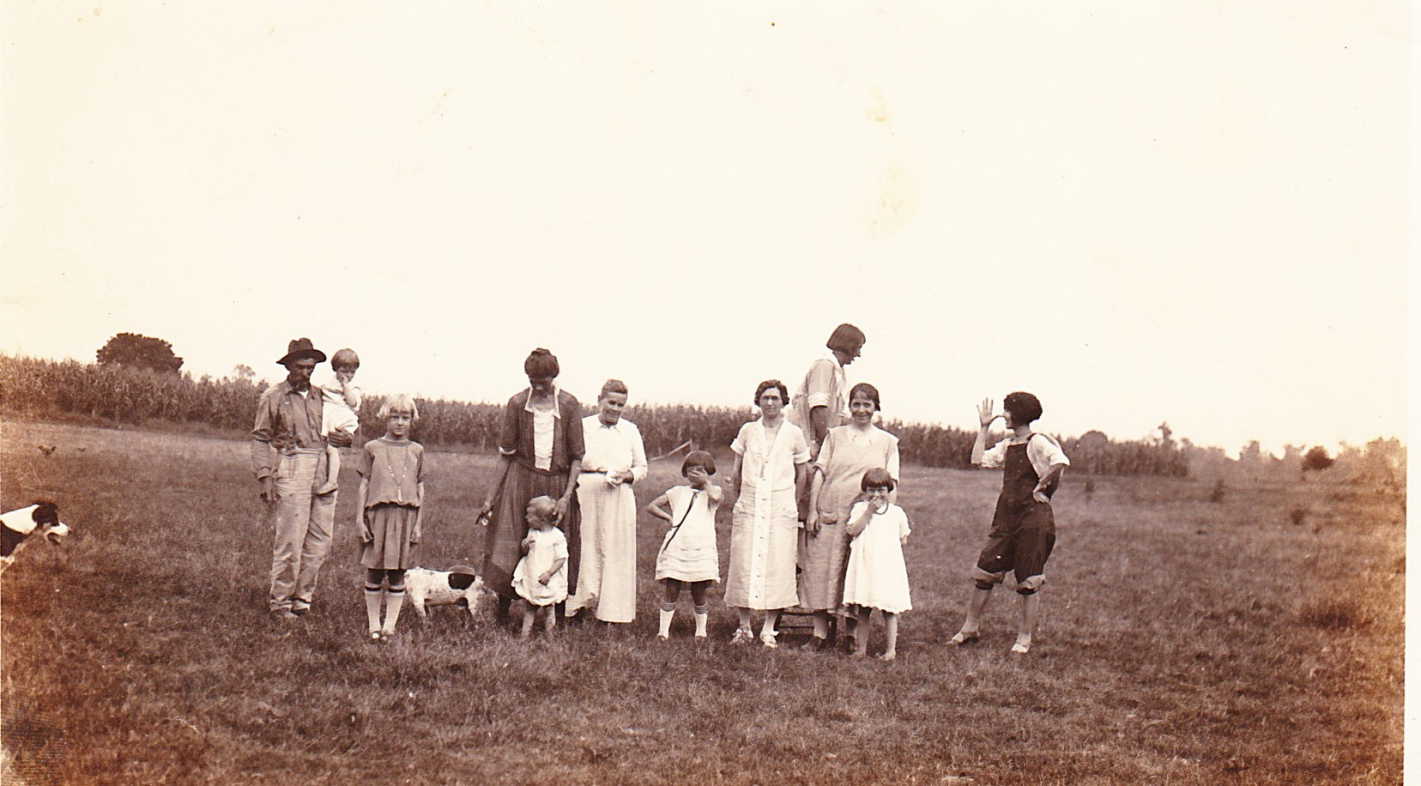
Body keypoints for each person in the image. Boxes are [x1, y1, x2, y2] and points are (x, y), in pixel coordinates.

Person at [949, 393, 1070, 655]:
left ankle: (1024, 638)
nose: (1003, 415)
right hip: (1006, 516)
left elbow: (1059, 462)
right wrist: (983, 428)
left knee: (1028, 578)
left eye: (1006, 411)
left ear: (1020, 414)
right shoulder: (1007, 445)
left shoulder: (1038, 442)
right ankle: (970, 627)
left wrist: (1043, 489)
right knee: (986, 569)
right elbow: (977, 460)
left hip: (1033, 518)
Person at [478, 348, 584, 621]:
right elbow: (506, 455)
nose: (538, 386)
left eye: (543, 381)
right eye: (532, 380)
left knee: (559, 541)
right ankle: (503, 608)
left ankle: (556, 612)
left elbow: (576, 458)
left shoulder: (570, 405)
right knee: (512, 541)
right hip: (521, 479)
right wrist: (490, 498)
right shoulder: (516, 404)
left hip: (558, 482)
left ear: (554, 376)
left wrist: (566, 497)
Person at [252, 338, 353, 620]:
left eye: (310, 368)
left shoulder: (324, 397)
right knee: (291, 540)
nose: (305, 373)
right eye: (300, 367)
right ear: (288, 366)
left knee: (320, 539)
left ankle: (302, 599)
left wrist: (345, 438)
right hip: (292, 464)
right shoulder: (274, 396)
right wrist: (265, 476)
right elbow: (260, 438)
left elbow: (344, 428)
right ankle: (281, 603)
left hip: (323, 465)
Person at [799, 382, 900, 652]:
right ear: (849, 406)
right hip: (831, 510)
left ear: (876, 407)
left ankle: (852, 634)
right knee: (821, 570)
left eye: (867, 404)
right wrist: (813, 510)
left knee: (856, 575)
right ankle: (819, 634)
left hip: (865, 519)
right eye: (856, 404)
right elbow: (819, 472)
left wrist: (886, 522)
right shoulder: (835, 435)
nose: (861, 410)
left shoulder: (888, 442)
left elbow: (892, 485)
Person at [725, 380, 810, 648]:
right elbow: (736, 471)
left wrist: (793, 504)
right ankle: (744, 627)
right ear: (758, 401)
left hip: (781, 505)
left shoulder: (794, 434)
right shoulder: (748, 430)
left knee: (779, 564)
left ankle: (769, 629)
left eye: (775, 398)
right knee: (744, 562)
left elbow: (803, 473)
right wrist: (738, 500)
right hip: (750, 503)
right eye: (765, 398)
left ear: (783, 402)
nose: (770, 403)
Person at [567, 379, 647, 625]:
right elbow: (572, 460)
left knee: (615, 550)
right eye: (610, 402)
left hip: (619, 495)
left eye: (620, 404)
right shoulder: (583, 426)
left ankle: (612, 613)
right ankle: (577, 607)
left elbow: (642, 467)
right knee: (586, 546)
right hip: (587, 491)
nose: (615, 408)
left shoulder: (630, 430)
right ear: (599, 400)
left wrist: (627, 475)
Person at [353, 394, 425, 642]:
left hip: (405, 516)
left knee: (397, 572)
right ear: (386, 417)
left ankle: (389, 627)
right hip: (377, 516)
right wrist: (360, 520)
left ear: (412, 420)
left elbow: (419, 487)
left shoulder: (417, 450)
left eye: (405, 417)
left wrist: (418, 523)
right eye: (395, 417)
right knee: (374, 570)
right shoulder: (372, 448)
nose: (400, 422)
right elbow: (364, 484)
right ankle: (373, 624)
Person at [645, 450, 723, 640]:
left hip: (700, 546)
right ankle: (663, 632)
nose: (694, 474)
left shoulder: (713, 491)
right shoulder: (677, 492)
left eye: (699, 470)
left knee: (699, 589)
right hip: (679, 544)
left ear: (708, 472)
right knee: (672, 586)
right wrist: (668, 517)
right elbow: (652, 505)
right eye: (690, 470)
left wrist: (706, 482)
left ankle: (701, 632)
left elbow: (716, 498)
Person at [841, 468, 912, 661]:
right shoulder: (859, 509)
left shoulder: (897, 513)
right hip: (865, 566)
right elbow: (853, 530)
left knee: (889, 610)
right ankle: (861, 648)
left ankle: (891, 650)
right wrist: (869, 512)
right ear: (865, 491)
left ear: (888, 490)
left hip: (886, 567)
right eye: (871, 490)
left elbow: (903, 538)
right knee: (863, 609)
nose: (876, 494)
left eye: (881, 490)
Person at [788, 323, 866, 461]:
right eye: (858, 348)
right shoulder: (824, 366)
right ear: (848, 345)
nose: (859, 354)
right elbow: (818, 408)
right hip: (805, 446)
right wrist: (826, 446)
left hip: (815, 446)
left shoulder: (838, 372)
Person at [513, 496, 569, 638]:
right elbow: (527, 552)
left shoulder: (557, 537)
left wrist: (549, 573)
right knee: (530, 608)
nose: (526, 518)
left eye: (529, 515)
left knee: (549, 609)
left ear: (542, 519)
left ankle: (549, 636)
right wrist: (524, 545)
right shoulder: (533, 532)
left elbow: (561, 558)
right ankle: (524, 637)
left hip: (547, 578)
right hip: (534, 576)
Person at [315, 348, 363, 496]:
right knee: (326, 448)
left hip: (340, 416)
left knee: (331, 447)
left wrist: (346, 386)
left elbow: (353, 402)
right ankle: (327, 478)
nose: (348, 375)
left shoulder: (352, 386)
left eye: (352, 372)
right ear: (335, 369)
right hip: (329, 414)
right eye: (344, 371)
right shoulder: (328, 383)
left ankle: (332, 481)